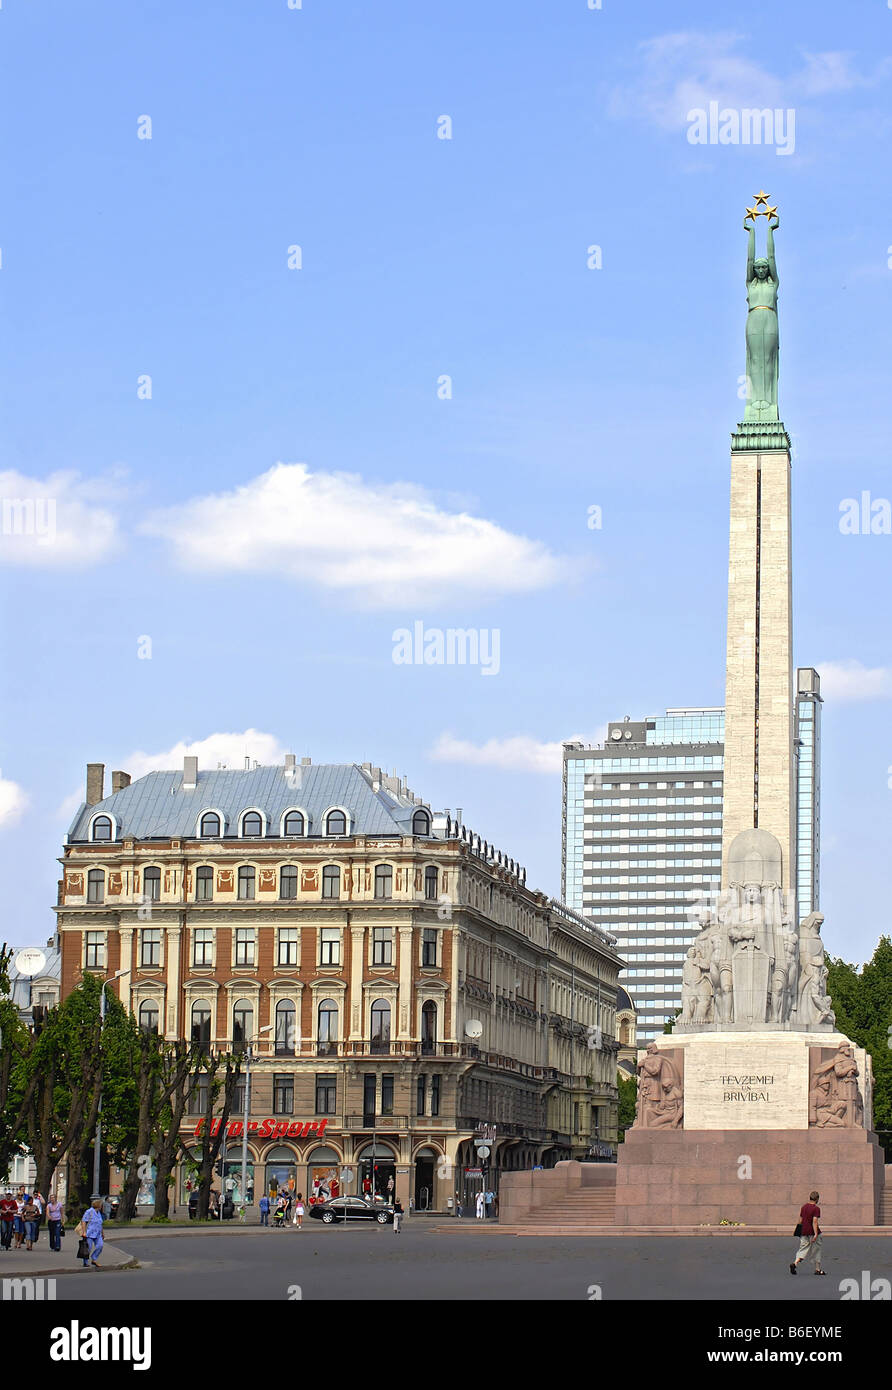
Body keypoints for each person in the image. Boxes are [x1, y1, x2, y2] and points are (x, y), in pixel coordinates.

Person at [790, 1190, 825, 1276]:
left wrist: (798, 1230)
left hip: (804, 1231)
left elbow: (800, 1220)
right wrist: (816, 1233)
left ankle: (795, 1263)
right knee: (816, 1250)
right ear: (817, 1199)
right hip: (813, 1232)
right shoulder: (816, 1209)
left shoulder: (804, 1207)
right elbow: (815, 1221)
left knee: (803, 1249)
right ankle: (817, 1269)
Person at [79, 1196, 104, 1269]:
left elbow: (100, 1223)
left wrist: (103, 1232)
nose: (102, 1206)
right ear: (98, 1205)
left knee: (100, 1246)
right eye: (101, 1205)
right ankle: (85, 1262)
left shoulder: (99, 1213)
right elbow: (83, 1221)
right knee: (88, 1248)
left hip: (98, 1233)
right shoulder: (89, 1212)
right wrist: (84, 1232)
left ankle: (94, 1258)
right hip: (89, 1233)